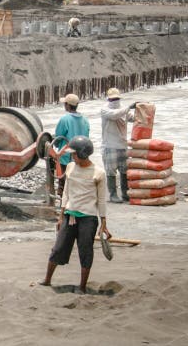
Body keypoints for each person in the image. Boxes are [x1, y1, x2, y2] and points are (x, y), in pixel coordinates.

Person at [40, 136, 110, 294]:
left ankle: (82, 286)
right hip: (70, 215)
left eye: (74, 154)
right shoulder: (70, 167)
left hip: (88, 218)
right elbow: (66, 192)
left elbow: (101, 200)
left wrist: (103, 222)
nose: (72, 156)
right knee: (58, 249)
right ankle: (47, 280)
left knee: (85, 251)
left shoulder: (99, 173)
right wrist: (61, 214)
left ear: (83, 154)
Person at [51, 93, 90, 199]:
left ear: (68, 105)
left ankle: (64, 206)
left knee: (64, 183)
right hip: (81, 156)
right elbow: (86, 138)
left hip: (66, 157)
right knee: (78, 182)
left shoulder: (65, 119)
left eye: (65, 104)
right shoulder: (85, 120)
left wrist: (55, 145)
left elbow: (58, 137)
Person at [100, 88, 135, 203]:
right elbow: (114, 115)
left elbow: (132, 118)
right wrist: (129, 107)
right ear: (108, 99)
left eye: (117, 99)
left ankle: (125, 193)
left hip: (122, 145)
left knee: (124, 170)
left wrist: (142, 109)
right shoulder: (105, 110)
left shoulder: (124, 109)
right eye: (113, 99)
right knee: (111, 171)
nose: (115, 101)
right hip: (109, 145)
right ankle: (113, 194)